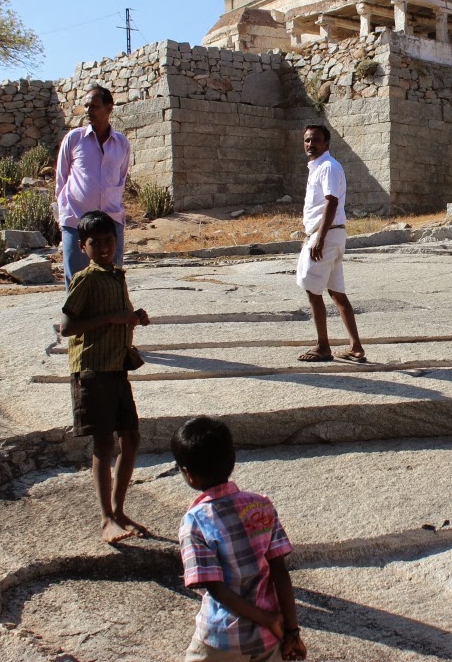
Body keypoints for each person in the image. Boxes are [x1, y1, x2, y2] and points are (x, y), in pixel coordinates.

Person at [173, 417, 306, 662]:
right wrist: (291, 631)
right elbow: (280, 571)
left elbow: (216, 588)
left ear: (188, 474)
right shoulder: (261, 505)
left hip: (222, 638)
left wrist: (268, 619)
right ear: (232, 460)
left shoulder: (196, 520)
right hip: (268, 638)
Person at [60, 210, 151, 544]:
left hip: (116, 367)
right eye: (94, 242)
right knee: (103, 443)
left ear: (117, 241)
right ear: (81, 246)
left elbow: (118, 316)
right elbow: (67, 327)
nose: (103, 247)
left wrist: (134, 317)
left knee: (131, 438)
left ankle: (119, 509)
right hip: (93, 369)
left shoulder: (116, 275)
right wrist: (112, 318)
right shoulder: (86, 279)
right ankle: (106, 519)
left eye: (108, 241)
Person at [295, 124, 366, 364]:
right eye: (307, 140)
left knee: (312, 289)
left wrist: (320, 238)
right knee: (336, 292)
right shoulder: (319, 167)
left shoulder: (327, 167)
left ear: (326, 143)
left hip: (325, 235)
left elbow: (331, 202)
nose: (310, 144)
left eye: (315, 140)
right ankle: (356, 347)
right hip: (329, 235)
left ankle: (323, 346)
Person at [55, 85, 130, 288]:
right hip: (76, 220)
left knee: (112, 281)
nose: (88, 111)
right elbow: (61, 180)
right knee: (77, 282)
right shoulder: (74, 139)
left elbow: (121, 178)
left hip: (111, 220)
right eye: (86, 106)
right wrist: (63, 214)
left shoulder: (122, 143)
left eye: (94, 106)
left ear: (109, 108)